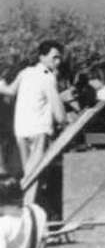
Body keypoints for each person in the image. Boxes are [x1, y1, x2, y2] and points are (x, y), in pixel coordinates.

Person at [0, 42, 67, 202]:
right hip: (39, 131)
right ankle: (23, 207)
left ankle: (22, 207)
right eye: (54, 57)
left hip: (22, 130)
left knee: (29, 173)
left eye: (59, 58)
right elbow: (60, 116)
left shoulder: (26, 72)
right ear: (42, 57)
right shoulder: (47, 77)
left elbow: (9, 90)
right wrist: (66, 121)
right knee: (35, 176)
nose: (57, 62)